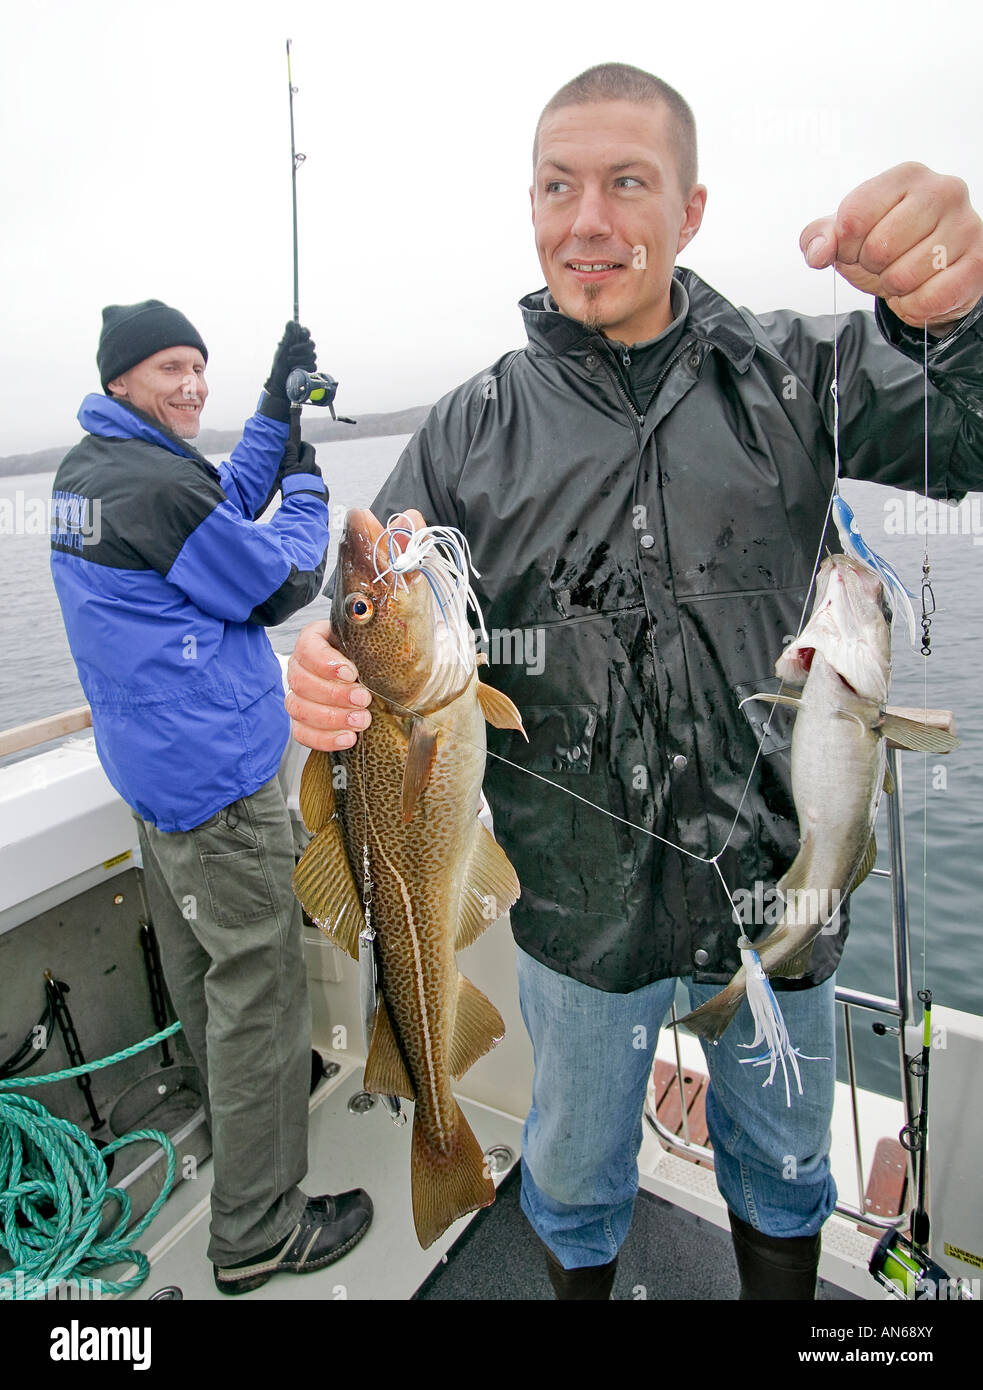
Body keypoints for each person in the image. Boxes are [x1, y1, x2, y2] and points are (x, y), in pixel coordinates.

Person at [285, 64, 983, 1299]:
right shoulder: (462, 434)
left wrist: (958, 316)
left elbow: (963, 423)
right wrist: (323, 673)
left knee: (780, 1170)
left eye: (625, 182)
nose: (587, 218)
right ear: (531, 206)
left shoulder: (795, 378)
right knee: (571, 1177)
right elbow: (367, 630)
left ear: (692, 209)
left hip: (777, 904)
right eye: (557, 186)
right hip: (571, 922)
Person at [50, 301, 373, 1294]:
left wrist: (277, 409)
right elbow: (277, 578)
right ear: (121, 381)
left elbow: (214, 503)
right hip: (218, 792)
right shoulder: (147, 482)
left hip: (159, 785)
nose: (190, 385)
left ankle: (242, 1116)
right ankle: (258, 1231)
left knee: (207, 982)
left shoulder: (94, 468)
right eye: (168, 370)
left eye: (198, 366)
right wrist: (311, 480)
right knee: (261, 996)